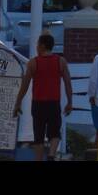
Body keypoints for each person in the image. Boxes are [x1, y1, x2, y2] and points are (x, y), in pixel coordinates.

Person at [13, 33, 73, 161]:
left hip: (38, 103)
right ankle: (51, 154)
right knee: (55, 133)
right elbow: (68, 82)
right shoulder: (60, 61)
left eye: (37, 44)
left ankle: (39, 159)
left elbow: (25, 85)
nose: (36, 47)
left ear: (42, 45)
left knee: (38, 136)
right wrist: (69, 102)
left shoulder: (33, 63)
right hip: (53, 102)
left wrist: (18, 102)